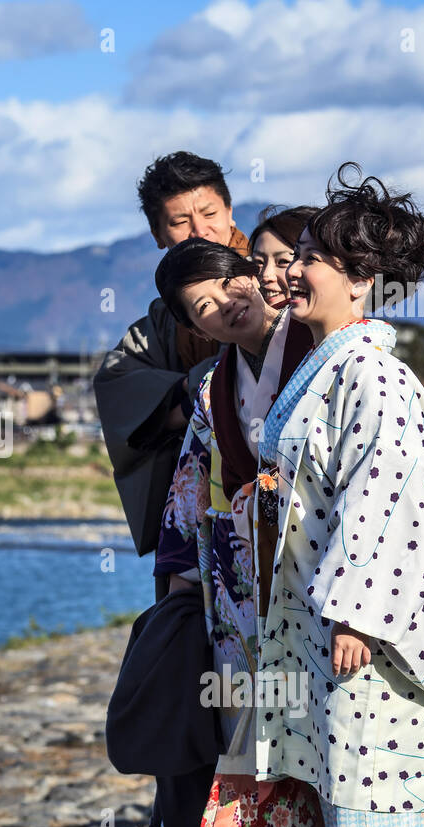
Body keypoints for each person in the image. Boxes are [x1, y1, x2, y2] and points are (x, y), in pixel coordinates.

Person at [251, 163, 424, 827]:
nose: (292, 271)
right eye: (295, 255)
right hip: (325, 619)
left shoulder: (371, 372)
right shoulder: (331, 362)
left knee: (377, 807)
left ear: (361, 279)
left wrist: (360, 610)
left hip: (364, 632)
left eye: (309, 258)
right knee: (347, 796)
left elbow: (389, 493)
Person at [151, 220, 326, 827]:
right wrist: (181, 587)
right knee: (254, 737)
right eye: (205, 306)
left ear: (251, 270)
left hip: (314, 573)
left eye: (230, 278)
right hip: (240, 596)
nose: (227, 300)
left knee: (325, 730)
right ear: (197, 329)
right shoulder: (210, 387)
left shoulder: (318, 343)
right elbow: (188, 490)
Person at [94, 152, 251, 596]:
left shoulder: (269, 276)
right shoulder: (168, 314)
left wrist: (209, 383)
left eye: (210, 213)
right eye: (180, 221)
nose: (200, 231)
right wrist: (190, 396)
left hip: (270, 490)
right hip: (199, 495)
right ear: (158, 233)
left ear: (230, 210)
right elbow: (117, 380)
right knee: (193, 634)